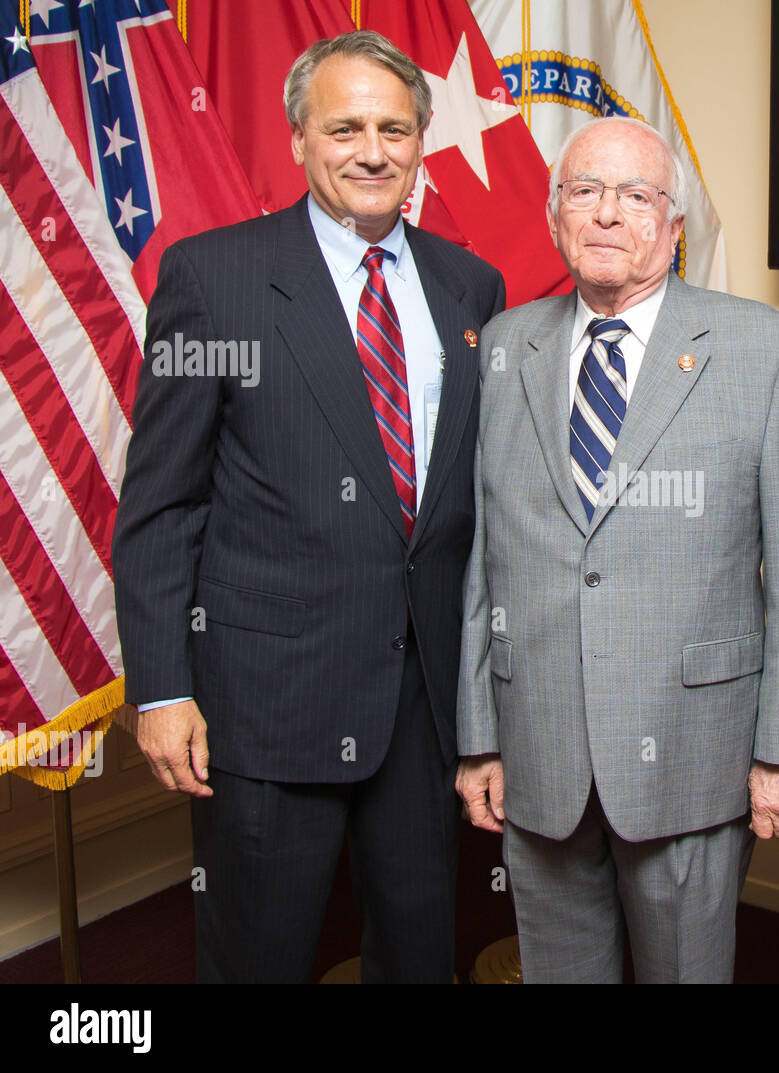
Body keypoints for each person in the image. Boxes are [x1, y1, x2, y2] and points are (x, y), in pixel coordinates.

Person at [111, 30, 505, 983]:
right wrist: (162, 690)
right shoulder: (214, 278)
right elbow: (162, 503)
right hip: (265, 703)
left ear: (420, 142)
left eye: (395, 128)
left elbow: (476, 508)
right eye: (345, 128)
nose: (373, 151)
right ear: (298, 139)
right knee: (260, 957)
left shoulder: (471, 284)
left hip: (422, 707)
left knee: (419, 956)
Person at [455, 116, 779, 983]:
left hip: (692, 748)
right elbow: (485, 553)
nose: (607, 215)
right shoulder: (509, 344)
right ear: (557, 214)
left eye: (635, 195)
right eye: (585, 191)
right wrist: (479, 734)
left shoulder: (759, 345)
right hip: (538, 749)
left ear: (673, 227)